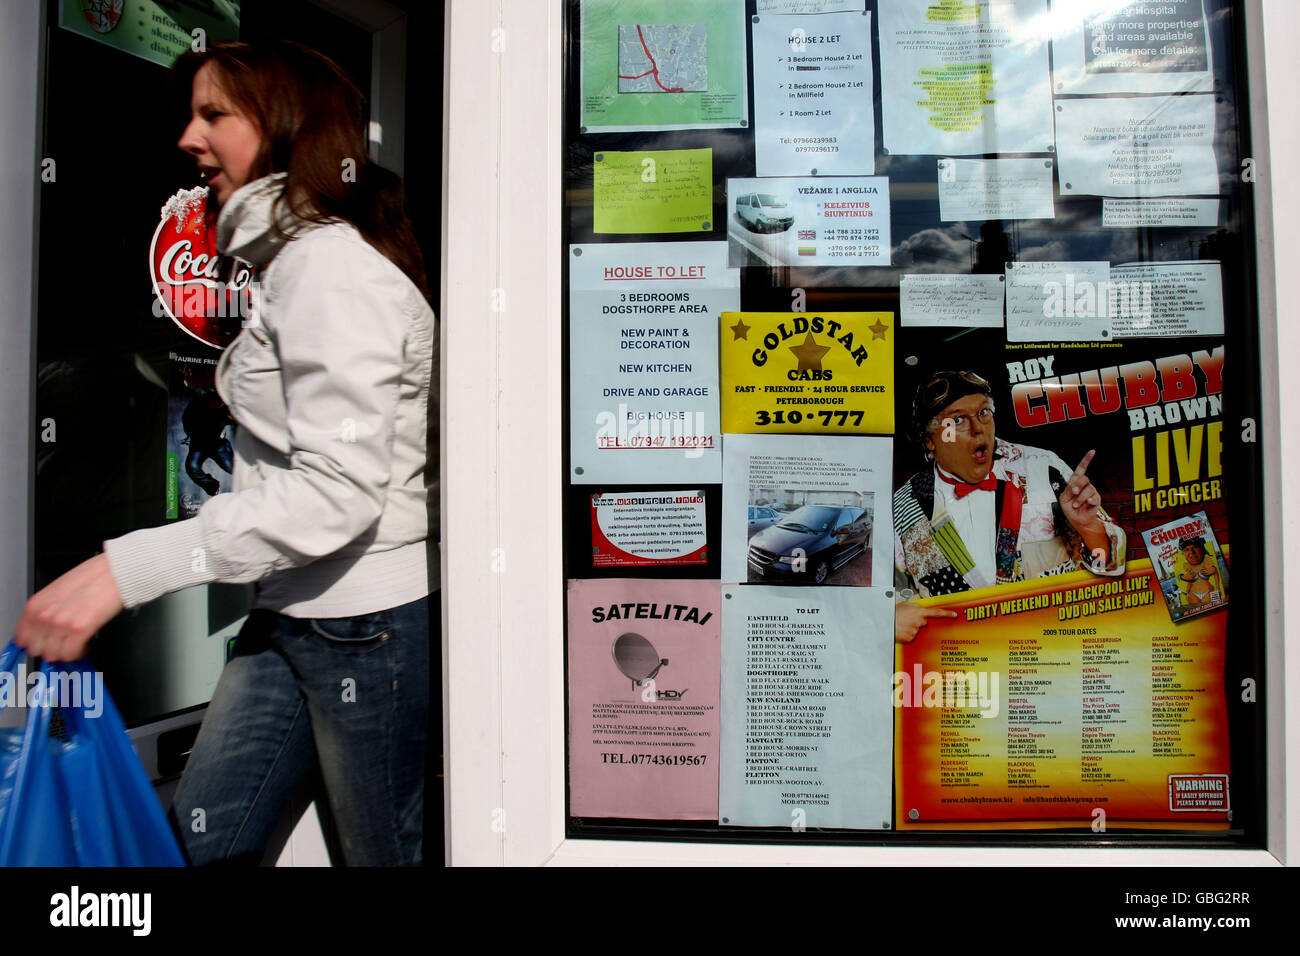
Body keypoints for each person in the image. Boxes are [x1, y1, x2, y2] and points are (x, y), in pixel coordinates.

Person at [13, 41, 438, 866]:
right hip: (293, 611)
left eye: (214, 115)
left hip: (363, 623)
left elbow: (333, 497)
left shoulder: (327, 270)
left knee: (379, 853)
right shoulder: (295, 264)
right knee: (208, 838)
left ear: (282, 128)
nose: (187, 138)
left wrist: (118, 573)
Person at [893, 370, 1123, 642]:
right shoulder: (903, 508)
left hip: (1051, 653)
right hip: (965, 663)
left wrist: (1090, 528)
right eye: (957, 420)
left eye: (984, 413)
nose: (978, 428)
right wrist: (890, 617)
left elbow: (1108, 565)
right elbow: (893, 594)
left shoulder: (1043, 469)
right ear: (929, 440)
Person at [1176, 535, 1223, 605]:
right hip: (1192, 594)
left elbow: (1215, 573)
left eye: (1195, 547)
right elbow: (1186, 580)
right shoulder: (1186, 565)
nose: (1191, 552)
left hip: (1208, 592)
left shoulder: (1206, 561)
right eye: (1187, 549)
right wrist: (1183, 577)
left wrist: (1218, 588)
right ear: (1183, 553)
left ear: (1202, 548)